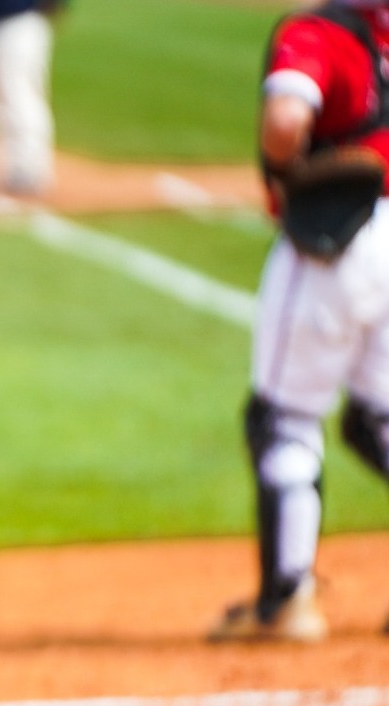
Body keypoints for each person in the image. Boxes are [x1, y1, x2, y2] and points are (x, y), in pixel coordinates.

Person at [210, 0, 389, 643]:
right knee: (378, 418)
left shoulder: (321, 34)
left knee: (284, 419)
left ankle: (287, 599)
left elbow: (287, 118)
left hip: (337, 242)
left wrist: (288, 174)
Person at [0, 0, 65, 196]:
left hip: (16, 24)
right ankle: (14, 167)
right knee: (1, 99)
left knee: (18, 96)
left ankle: (30, 170)